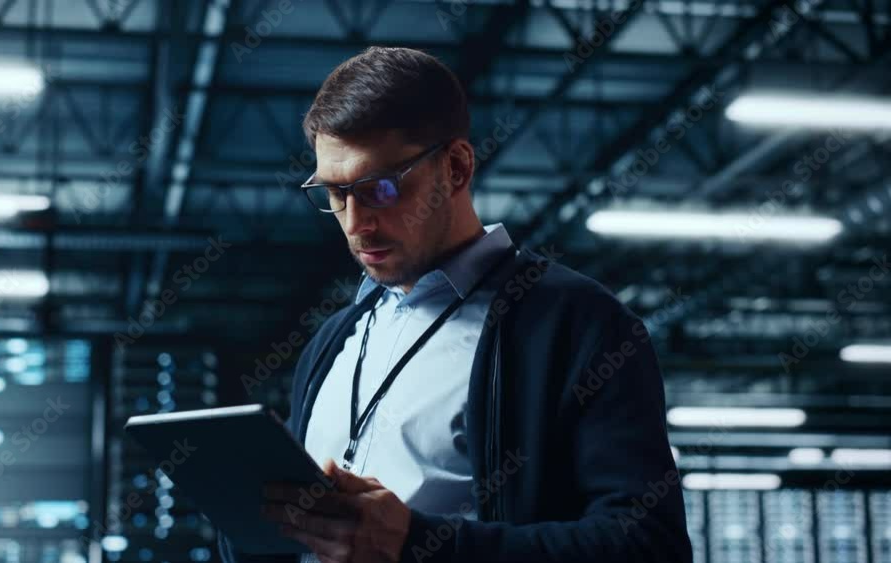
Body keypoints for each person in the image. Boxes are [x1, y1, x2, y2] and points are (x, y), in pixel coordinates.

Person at [218, 46, 692, 563]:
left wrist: (415, 542)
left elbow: (649, 546)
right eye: (334, 193)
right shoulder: (333, 342)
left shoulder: (580, 325)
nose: (355, 223)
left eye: (378, 189)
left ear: (458, 167)